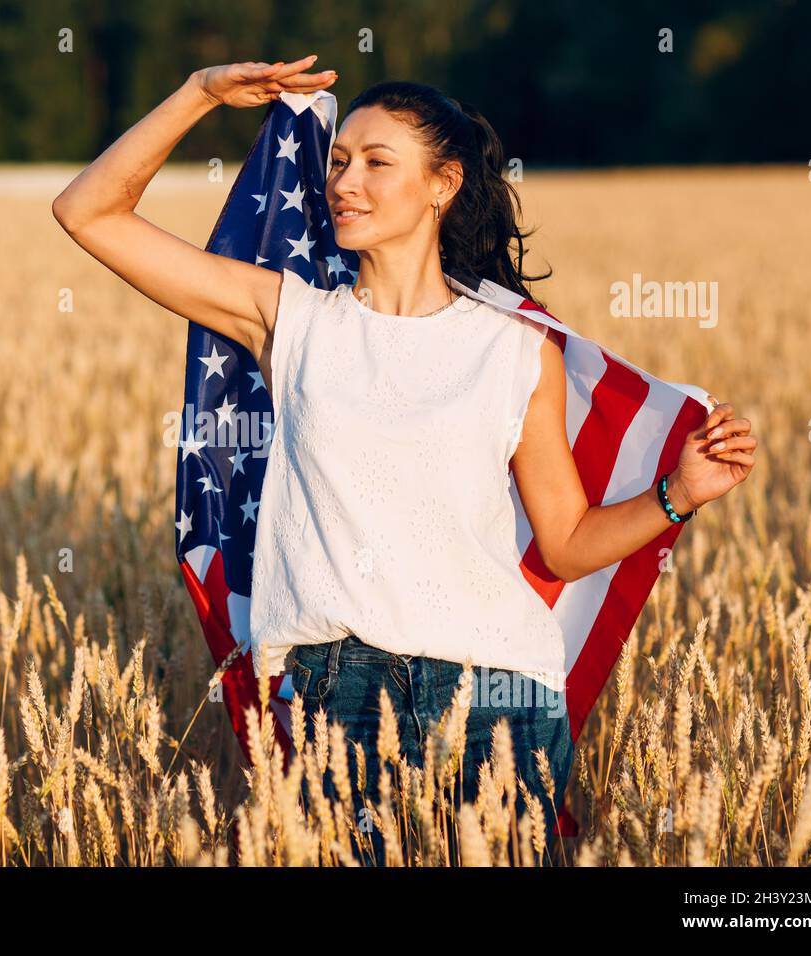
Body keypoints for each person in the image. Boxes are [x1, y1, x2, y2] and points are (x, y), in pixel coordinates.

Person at [51, 57, 757, 865]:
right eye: (339, 162)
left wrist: (677, 494)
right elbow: (88, 212)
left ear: (442, 184)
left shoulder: (518, 351)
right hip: (337, 695)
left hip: (503, 700)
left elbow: (564, 542)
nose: (344, 181)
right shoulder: (289, 319)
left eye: (376, 163)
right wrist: (199, 94)